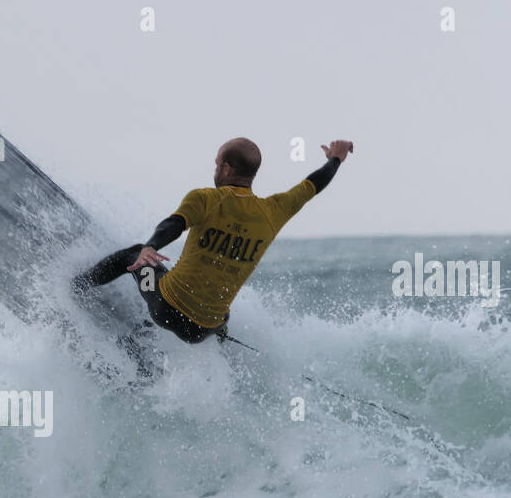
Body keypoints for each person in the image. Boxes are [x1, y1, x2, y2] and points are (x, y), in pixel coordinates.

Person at [74, 138, 354, 344]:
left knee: (134, 256)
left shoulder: (206, 198)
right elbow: (313, 184)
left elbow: (174, 223)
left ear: (228, 169)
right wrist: (336, 159)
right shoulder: (274, 211)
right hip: (201, 331)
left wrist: (151, 246)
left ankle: (76, 287)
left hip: (164, 307)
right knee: (222, 312)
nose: (215, 167)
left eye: (217, 162)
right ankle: (216, 337)